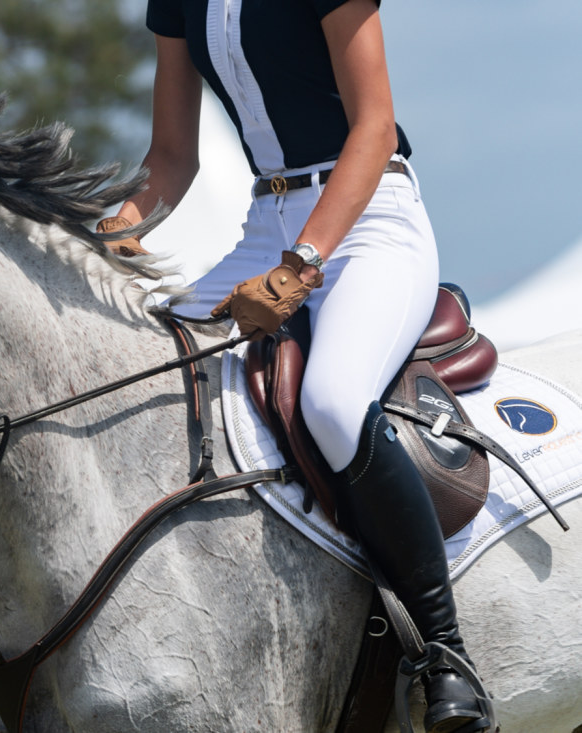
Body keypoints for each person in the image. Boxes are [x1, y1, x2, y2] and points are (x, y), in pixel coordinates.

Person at [99, 2, 495, 731]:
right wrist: (110, 234)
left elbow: (374, 127)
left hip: (371, 219)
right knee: (142, 361)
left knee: (334, 403)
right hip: (263, 224)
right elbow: (170, 158)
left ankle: (445, 654)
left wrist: (302, 265)